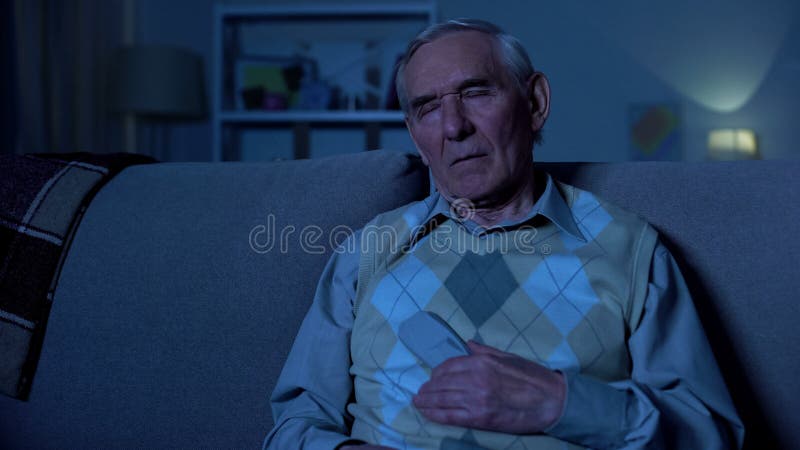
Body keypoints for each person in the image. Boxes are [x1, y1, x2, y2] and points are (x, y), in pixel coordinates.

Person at [265, 19, 744, 450]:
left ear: (535, 103)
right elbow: (295, 424)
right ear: (415, 137)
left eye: (476, 92)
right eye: (428, 107)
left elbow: (709, 434)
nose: (454, 126)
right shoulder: (367, 253)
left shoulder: (631, 251)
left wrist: (561, 402)